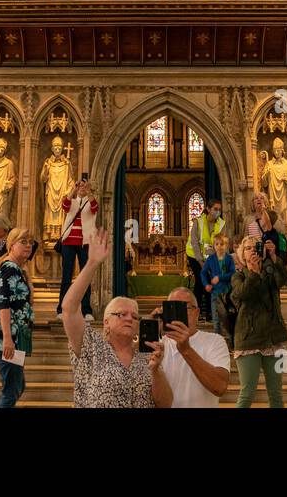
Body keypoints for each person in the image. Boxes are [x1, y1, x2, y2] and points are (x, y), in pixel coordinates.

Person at [62, 227, 171, 407]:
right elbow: (69, 309)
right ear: (106, 322)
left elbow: (165, 404)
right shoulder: (92, 347)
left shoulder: (147, 357)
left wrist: (156, 370)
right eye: (121, 314)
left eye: (135, 317)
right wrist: (92, 263)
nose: (129, 318)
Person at [231, 233, 287, 408]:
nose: (251, 251)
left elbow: (285, 280)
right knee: (247, 393)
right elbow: (242, 294)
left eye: (255, 247)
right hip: (248, 341)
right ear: (242, 253)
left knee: (277, 394)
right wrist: (254, 274)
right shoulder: (238, 276)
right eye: (247, 248)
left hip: (275, 341)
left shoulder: (270, 272)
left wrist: (274, 258)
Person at [0, 227, 36, 407]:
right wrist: (7, 339)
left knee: (16, 386)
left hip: (13, 338)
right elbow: (4, 305)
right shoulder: (9, 269)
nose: (28, 246)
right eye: (23, 242)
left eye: (30, 242)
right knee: (12, 389)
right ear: (11, 245)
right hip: (7, 340)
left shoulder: (15, 268)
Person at [157, 287, 231, 407]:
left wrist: (186, 350)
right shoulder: (159, 345)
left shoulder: (215, 341)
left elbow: (220, 387)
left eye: (184, 307)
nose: (179, 313)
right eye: (172, 307)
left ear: (197, 312)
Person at [56, 174, 99, 318]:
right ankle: (61, 310)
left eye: (84, 186)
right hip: (68, 242)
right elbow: (65, 205)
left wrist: (89, 191)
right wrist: (73, 190)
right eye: (80, 186)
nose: (81, 188)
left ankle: (86, 310)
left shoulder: (91, 200)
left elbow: (94, 208)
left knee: (85, 277)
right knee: (66, 277)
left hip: (85, 243)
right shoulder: (72, 201)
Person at [186, 199, 225, 322]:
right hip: (194, 256)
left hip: (210, 257)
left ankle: (209, 312)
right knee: (200, 281)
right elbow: (194, 242)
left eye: (219, 210)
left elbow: (220, 244)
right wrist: (201, 262)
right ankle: (195, 312)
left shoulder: (222, 224)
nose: (217, 212)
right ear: (208, 209)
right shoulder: (198, 222)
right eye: (215, 209)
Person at [200, 233, 236, 342]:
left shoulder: (229, 259)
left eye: (222, 244)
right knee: (216, 321)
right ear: (214, 246)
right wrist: (206, 284)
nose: (219, 246)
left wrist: (220, 277)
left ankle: (231, 342)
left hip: (228, 293)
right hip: (215, 293)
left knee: (229, 318)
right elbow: (203, 273)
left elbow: (233, 274)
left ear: (226, 245)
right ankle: (218, 344)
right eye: (217, 244)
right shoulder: (211, 259)